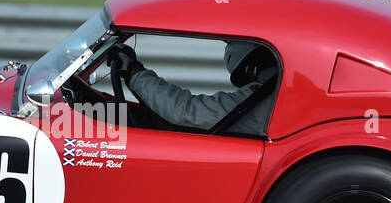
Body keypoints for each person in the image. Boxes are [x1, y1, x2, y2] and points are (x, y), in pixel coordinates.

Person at [106, 39, 278, 137]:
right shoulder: (280, 92)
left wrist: (132, 71)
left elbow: (185, 112)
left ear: (250, 70)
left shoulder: (268, 96)